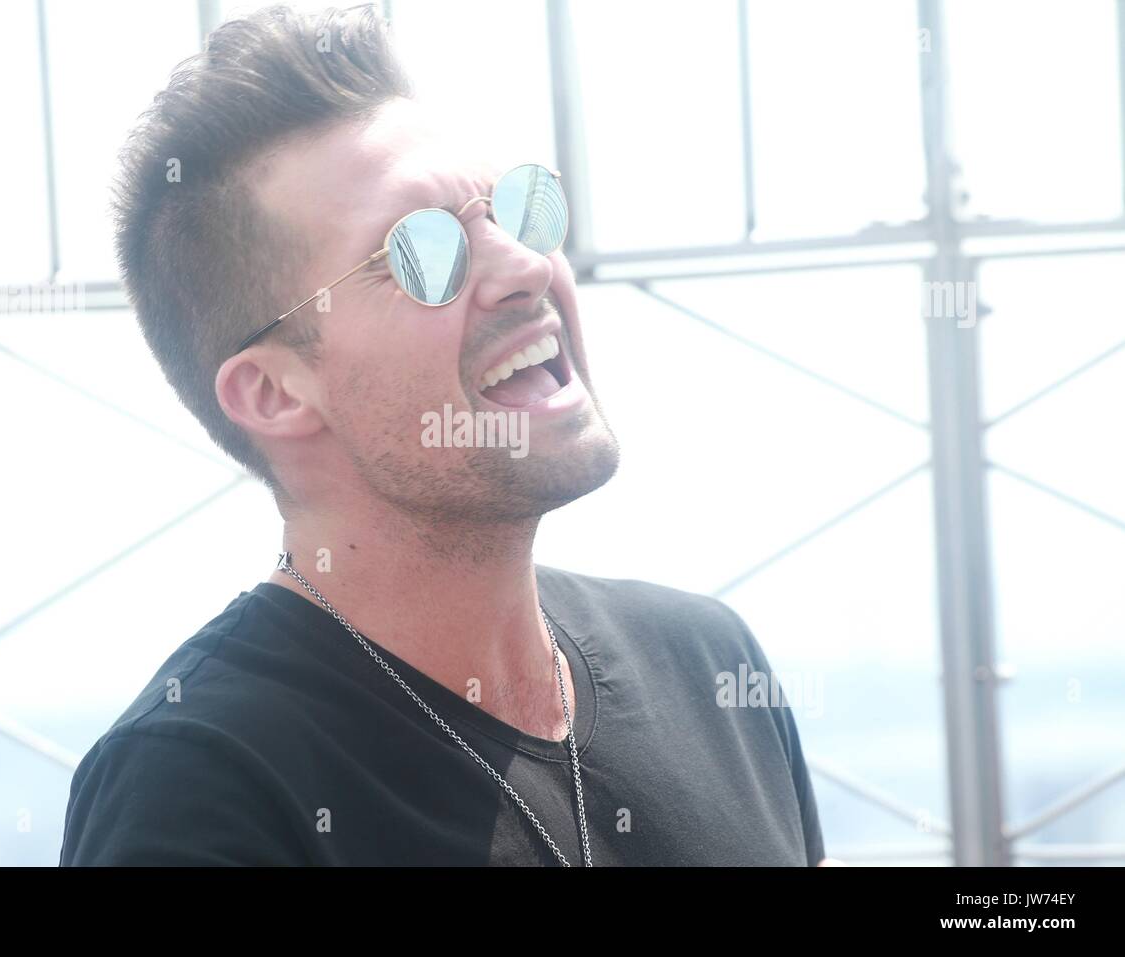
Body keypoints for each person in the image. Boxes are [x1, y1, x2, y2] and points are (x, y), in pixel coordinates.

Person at [59, 3, 828, 867]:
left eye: (516, 210)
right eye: (420, 253)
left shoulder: (707, 665)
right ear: (274, 392)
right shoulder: (202, 782)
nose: (528, 267)